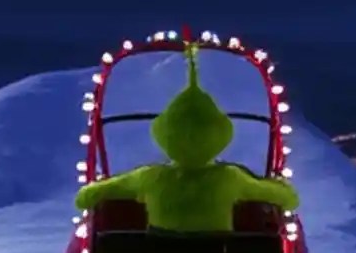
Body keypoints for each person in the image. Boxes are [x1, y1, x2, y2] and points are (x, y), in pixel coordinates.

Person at [74, 44, 299, 232]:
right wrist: (280, 188)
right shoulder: (231, 178)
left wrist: (90, 193)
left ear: (163, 133)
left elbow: (87, 197)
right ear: (221, 133)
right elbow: (287, 199)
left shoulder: (150, 177)